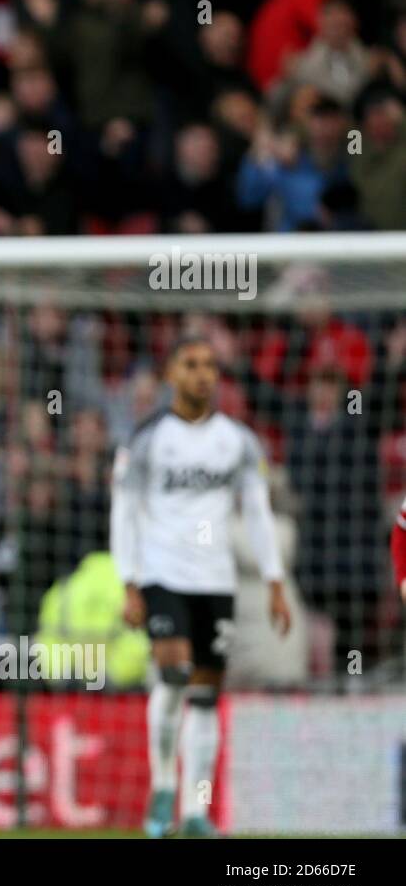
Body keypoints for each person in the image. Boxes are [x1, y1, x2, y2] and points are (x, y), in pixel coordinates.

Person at [109, 335, 291, 838]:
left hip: (216, 581)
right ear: (171, 373)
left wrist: (274, 579)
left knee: (207, 696)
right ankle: (163, 783)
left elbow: (257, 513)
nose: (203, 374)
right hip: (162, 573)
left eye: (210, 365)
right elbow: (123, 511)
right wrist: (129, 581)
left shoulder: (237, 440)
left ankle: (194, 811)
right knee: (173, 676)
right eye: (191, 364)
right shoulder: (147, 438)